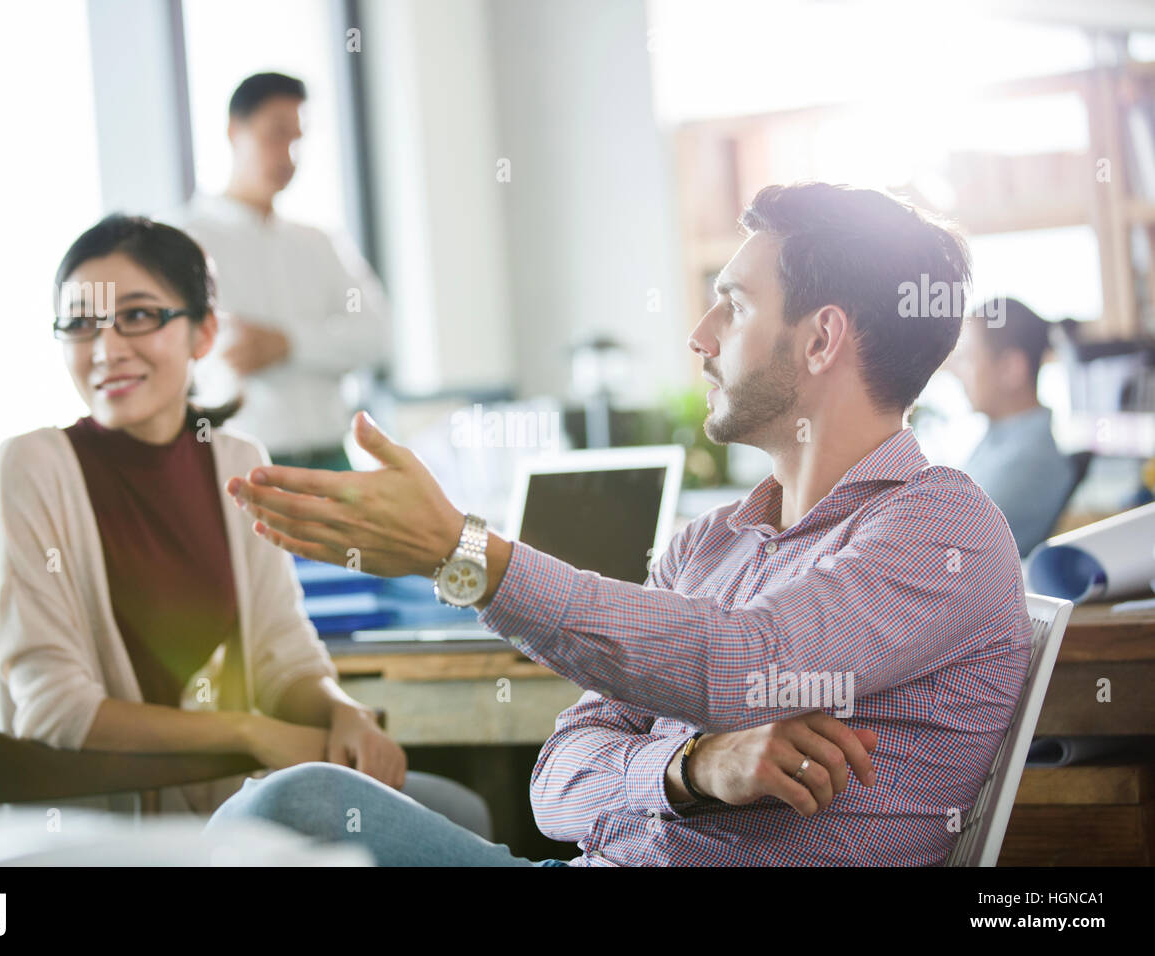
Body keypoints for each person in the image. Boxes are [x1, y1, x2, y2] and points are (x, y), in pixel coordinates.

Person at [212, 183, 1033, 866]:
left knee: (298, 804)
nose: (698, 338)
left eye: (733, 307)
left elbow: (747, 663)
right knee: (286, 808)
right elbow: (556, 783)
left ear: (822, 339)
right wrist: (688, 768)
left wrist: (465, 557)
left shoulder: (941, 526)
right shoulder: (707, 544)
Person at [0, 215, 484, 831]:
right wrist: (252, 734)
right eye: (81, 324)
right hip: (101, 829)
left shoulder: (238, 462)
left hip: (221, 804)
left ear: (203, 333)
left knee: (462, 809)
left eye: (137, 315)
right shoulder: (31, 466)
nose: (107, 349)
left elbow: (282, 656)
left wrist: (340, 710)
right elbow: (56, 711)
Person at [169, 72, 391, 470]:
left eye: (297, 138)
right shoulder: (184, 238)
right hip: (241, 465)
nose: (288, 154)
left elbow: (377, 336)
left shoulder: (318, 242)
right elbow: (216, 350)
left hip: (334, 460)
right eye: (275, 134)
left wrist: (286, 344)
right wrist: (322, 341)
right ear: (235, 131)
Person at [949, 298, 1075, 556]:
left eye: (969, 360)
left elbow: (942, 544)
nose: (958, 374)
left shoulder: (1028, 460)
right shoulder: (998, 438)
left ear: (1011, 369)